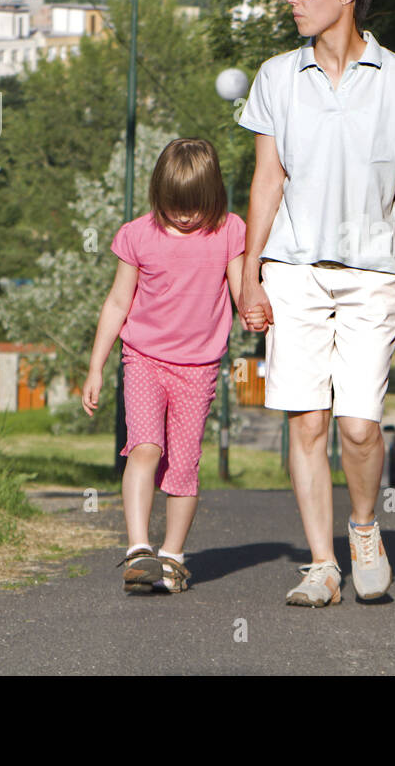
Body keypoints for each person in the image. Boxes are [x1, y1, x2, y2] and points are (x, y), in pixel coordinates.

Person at [237, 0, 395, 607]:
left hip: (375, 273)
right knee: (307, 423)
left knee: (359, 425)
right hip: (292, 271)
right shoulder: (275, 77)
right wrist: (249, 273)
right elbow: (266, 181)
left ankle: (362, 529)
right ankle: (322, 564)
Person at [82, 138, 246, 594]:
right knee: (145, 447)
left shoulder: (230, 231)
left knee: (184, 465)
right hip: (144, 360)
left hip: (199, 367)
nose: (185, 215)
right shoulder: (137, 235)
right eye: (175, 205)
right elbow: (117, 303)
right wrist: (96, 367)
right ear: (159, 194)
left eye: (196, 205)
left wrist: (259, 311)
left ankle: (173, 556)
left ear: (212, 197)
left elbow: (240, 291)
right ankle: (139, 551)